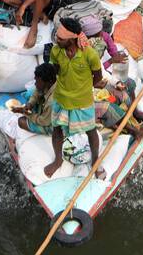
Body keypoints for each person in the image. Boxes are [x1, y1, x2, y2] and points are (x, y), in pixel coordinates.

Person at [44, 18, 106, 179]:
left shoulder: (89, 54)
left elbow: (98, 77)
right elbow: (55, 71)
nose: (57, 40)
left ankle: (95, 161)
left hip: (82, 102)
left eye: (61, 38)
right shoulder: (56, 51)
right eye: (57, 37)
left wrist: (83, 89)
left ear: (72, 39)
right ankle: (58, 160)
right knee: (57, 130)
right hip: (61, 99)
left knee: (90, 131)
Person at [0, 62, 58, 139]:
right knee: (31, 93)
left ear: (48, 82)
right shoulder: (53, 80)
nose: (35, 84)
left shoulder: (52, 102)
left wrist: (26, 114)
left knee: (21, 121)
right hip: (48, 110)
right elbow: (36, 92)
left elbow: (43, 121)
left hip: (53, 125)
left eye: (38, 82)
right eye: (35, 81)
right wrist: (30, 104)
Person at [94, 75, 143, 141]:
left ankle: (135, 113)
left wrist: (117, 82)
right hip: (88, 99)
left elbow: (103, 72)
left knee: (128, 83)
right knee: (108, 106)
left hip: (99, 89)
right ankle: (131, 129)